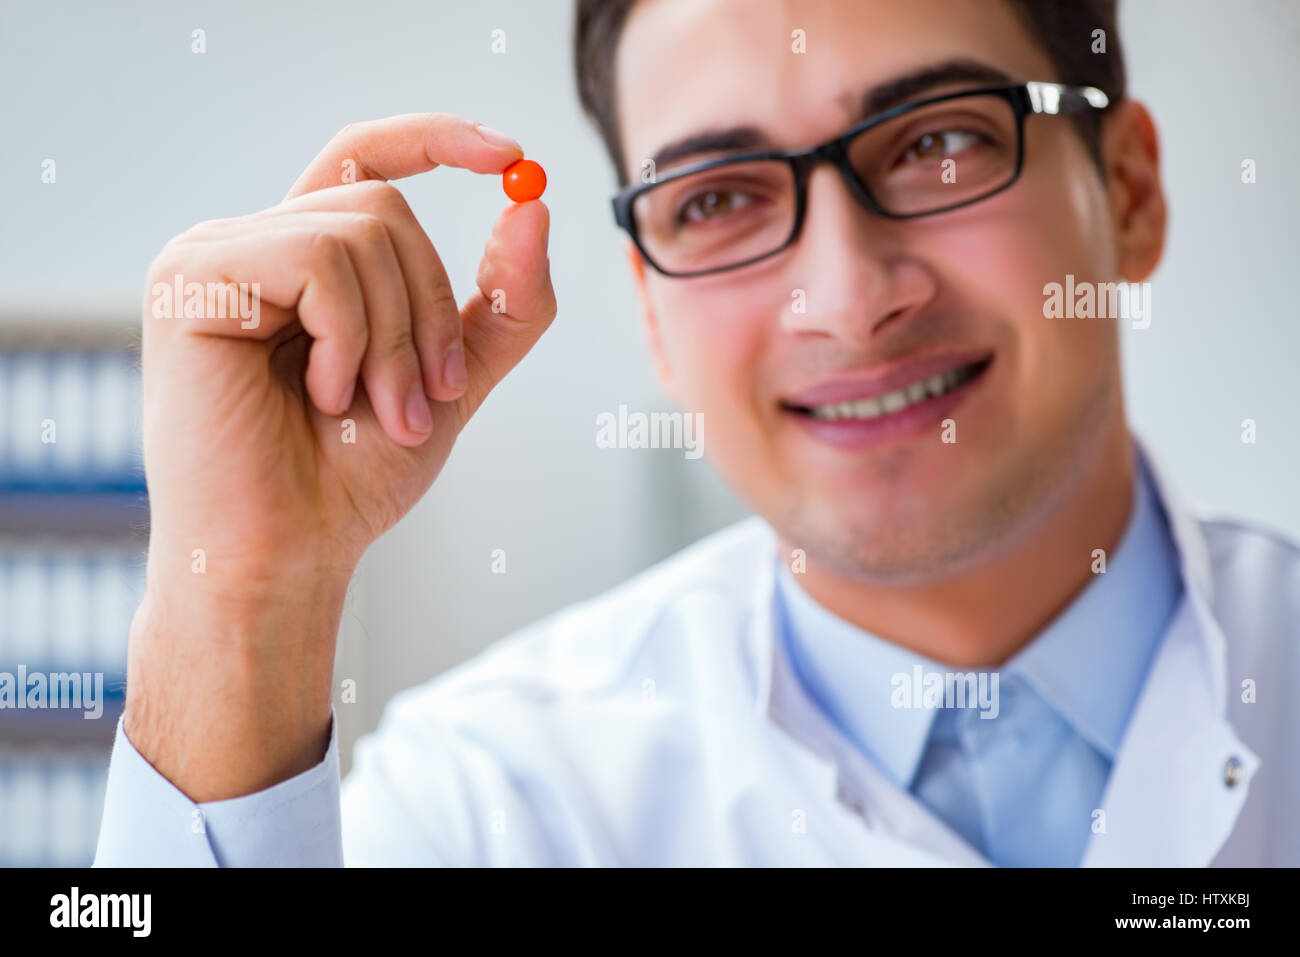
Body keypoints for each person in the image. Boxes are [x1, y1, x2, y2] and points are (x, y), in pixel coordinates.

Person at [94, 0, 1298, 867]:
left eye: (937, 141)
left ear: (1127, 192)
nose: (845, 296)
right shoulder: (488, 805)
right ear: (652, 315)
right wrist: (242, 605)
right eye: (718, 200)